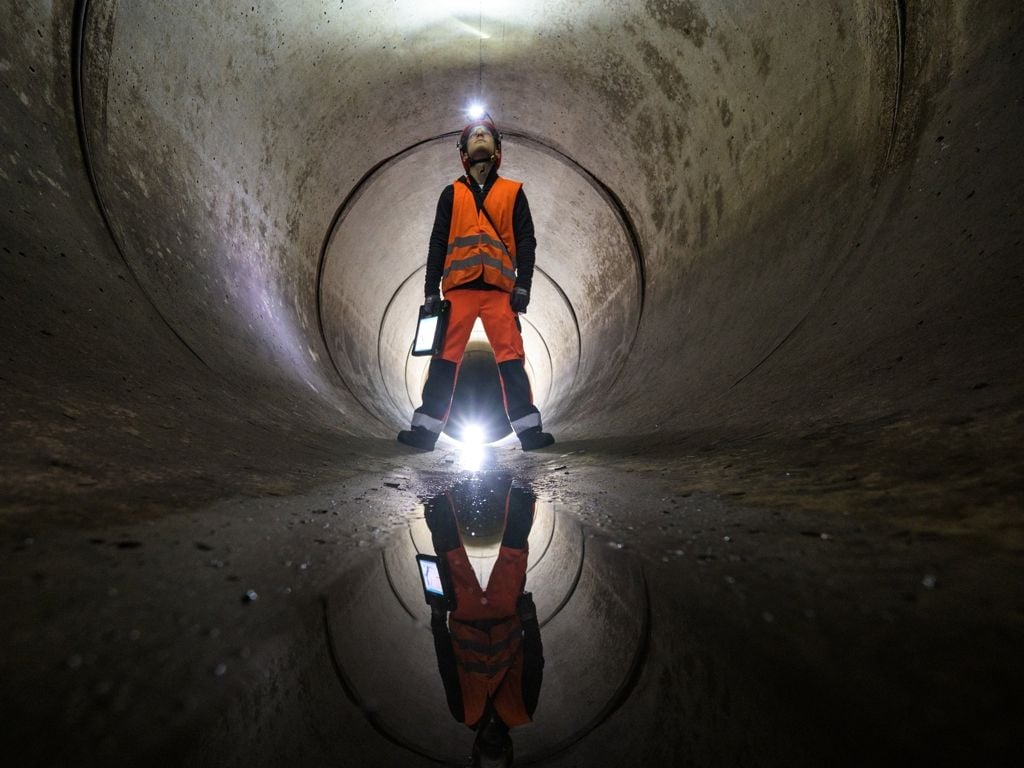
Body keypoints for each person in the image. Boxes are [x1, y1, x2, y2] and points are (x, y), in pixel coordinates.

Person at [398, 114, 555, 452]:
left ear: (497, 149)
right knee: (443, 360)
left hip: (500, 292)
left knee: (512, 359)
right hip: (458, 292)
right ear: (464, 151)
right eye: (474, 135)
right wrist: (430, 289)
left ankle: (529, 433)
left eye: (486, 134)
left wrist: (523, 285)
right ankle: (425, 433)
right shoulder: (451, 194)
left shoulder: (513, 193)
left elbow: (526, 241)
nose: (480, 135)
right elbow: (438, 242)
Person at [424, 478, 544, 768]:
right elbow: (534, 662)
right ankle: (522, 489)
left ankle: (433, 493)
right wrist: (530, 617)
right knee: (513, 553)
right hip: (506, 615)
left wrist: (438, 620)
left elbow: (446, 665)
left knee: (449, 554)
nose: (493, 737)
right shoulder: (522, 710)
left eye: (487, 744)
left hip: (464, 617)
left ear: (476, 746)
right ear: (509, 746)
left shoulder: (463, 711)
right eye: (499, 745)